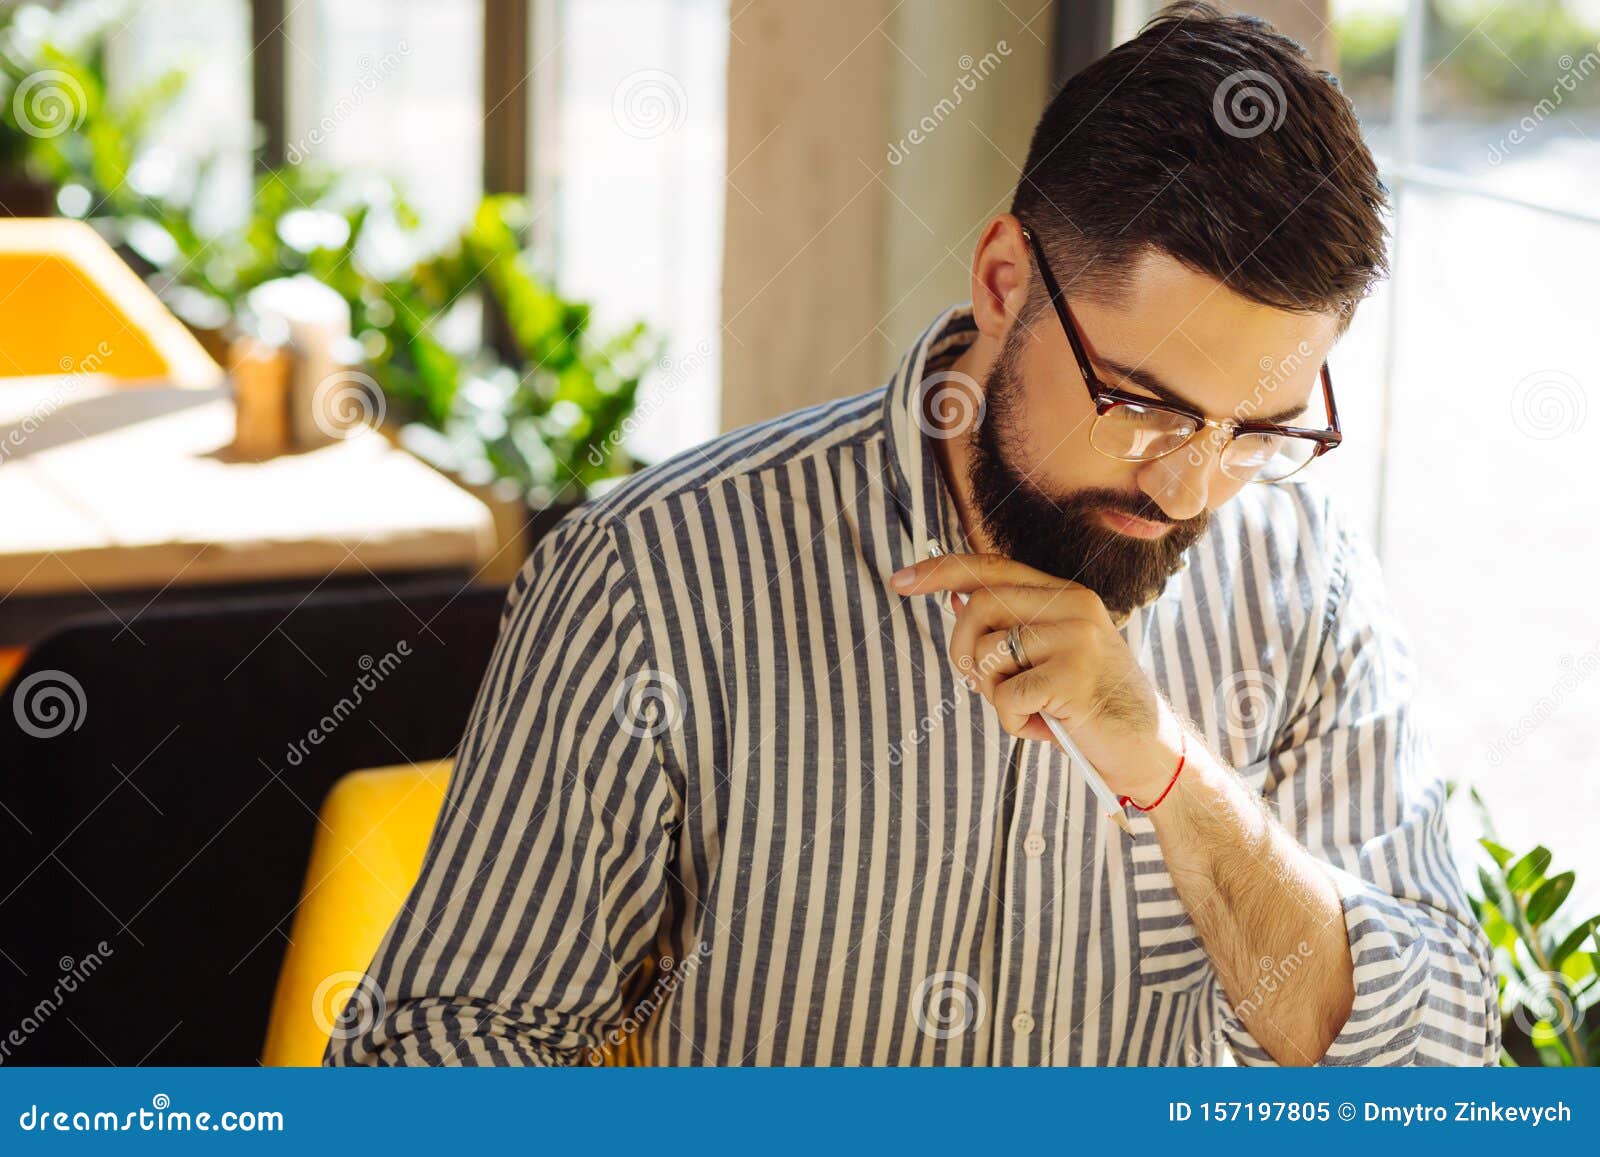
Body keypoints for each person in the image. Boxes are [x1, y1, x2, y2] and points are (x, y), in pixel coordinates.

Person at [331, 2, 1497, 1067]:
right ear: (1003, 281)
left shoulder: (1305, 579)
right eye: (1141, 405)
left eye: (1259, 427)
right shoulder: (654, 572)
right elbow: (434, 1045)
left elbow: (1438, 1065)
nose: (1193, 487)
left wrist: (1170, 769)